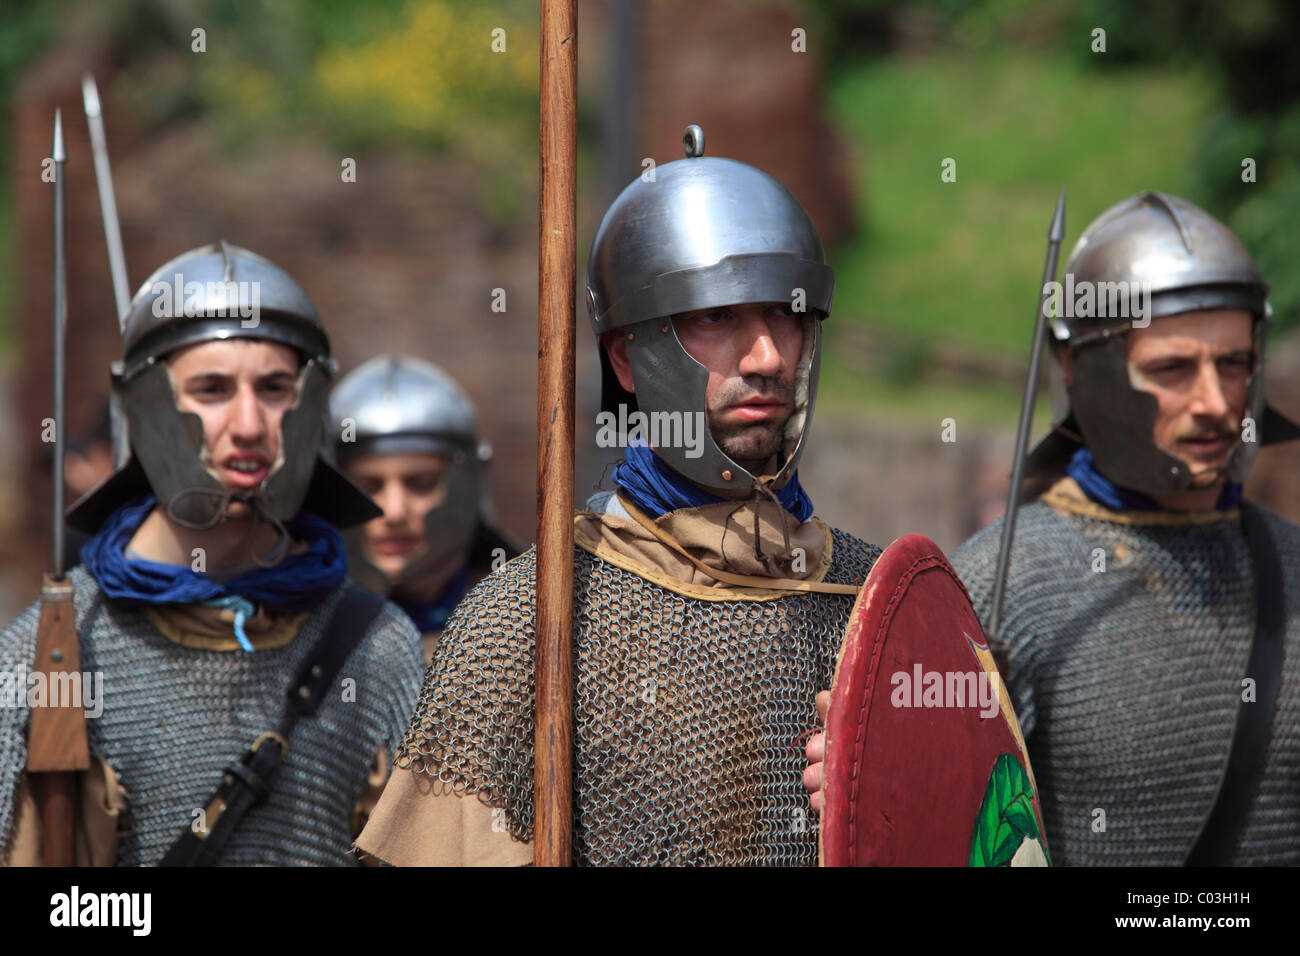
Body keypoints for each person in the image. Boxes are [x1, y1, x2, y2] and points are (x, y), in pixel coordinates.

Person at [355, 127, 882, 866]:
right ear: (628, 359)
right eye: (716, 317)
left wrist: (899, 820)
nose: (767, 357)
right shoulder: (533, 618)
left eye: (785, 316)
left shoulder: (880, 606)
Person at [0, 242, 424, 866]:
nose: (249, 424)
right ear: (144, 409)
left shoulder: (379, 647)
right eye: (212, 389)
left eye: (276, 388)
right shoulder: (53, 649)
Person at [948, 192, 1300, 865]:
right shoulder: (1002, 587)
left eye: (1233, 364)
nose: (1216, 403)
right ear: (1086, 373)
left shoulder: (1293, 565)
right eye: (1172, 369)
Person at [329, 355, 519, 662]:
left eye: (421, 483)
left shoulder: (529, 623)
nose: (394, 513)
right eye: (368, 486)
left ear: (470, 482)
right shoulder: (293, 632)